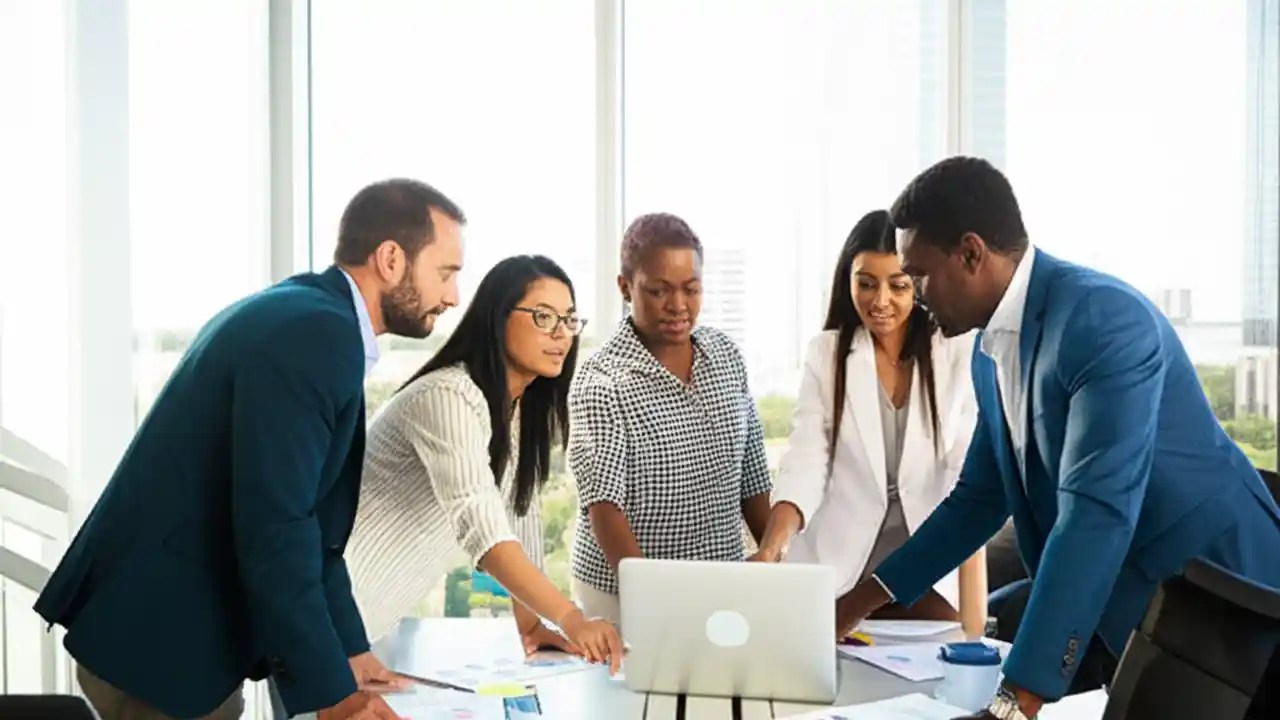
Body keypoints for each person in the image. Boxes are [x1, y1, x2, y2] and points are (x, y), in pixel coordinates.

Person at [833, 157, 1280, 720]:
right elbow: (977, 501)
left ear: (970, 253)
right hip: (1137, 609)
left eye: (918, 274)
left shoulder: (1103, 320)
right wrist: (854, 604)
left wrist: (1015, 702)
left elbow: (1096, 511)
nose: (914, 294)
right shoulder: (988, 354)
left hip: (1231, 607)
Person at [34, 178, 467, 720]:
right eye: (445, 273)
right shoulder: (318, 335)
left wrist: (349, 652)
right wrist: (334, 699)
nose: (453, 296)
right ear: (391, 259)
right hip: (163, 646)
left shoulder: (304, 312)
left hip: (159, 632)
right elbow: (278, 526)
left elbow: (314, 528)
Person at [346, 254, 623, 673]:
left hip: (359, 632)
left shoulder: (516, 413)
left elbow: (517, 519)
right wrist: (571, 617)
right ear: (498, 318)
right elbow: (482, 525)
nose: (561, 333)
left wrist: (533, 625)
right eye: (543, 317)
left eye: (569, 319)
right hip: (321, 622)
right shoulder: (448, 396)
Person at [751, 209, 988, 635]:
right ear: (848, 282)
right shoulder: (828, 354)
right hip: (840, 568)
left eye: (898, 285)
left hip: (923, 570)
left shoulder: (956, 350)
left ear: (918, 282)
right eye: (865, 283)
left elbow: (966, 480)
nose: (880, 301)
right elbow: (806, 461)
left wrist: (974, 624)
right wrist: (771, 549)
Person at [568, 212, 772, 625]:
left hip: (721, 583)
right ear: (625, 287)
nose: (678, 306)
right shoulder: (602, 381)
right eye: (658, 291)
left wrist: (779, 571)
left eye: (691, 289)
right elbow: (605, 509)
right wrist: (652, 599)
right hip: (622, 593)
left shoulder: (726, 355)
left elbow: (752, 478)